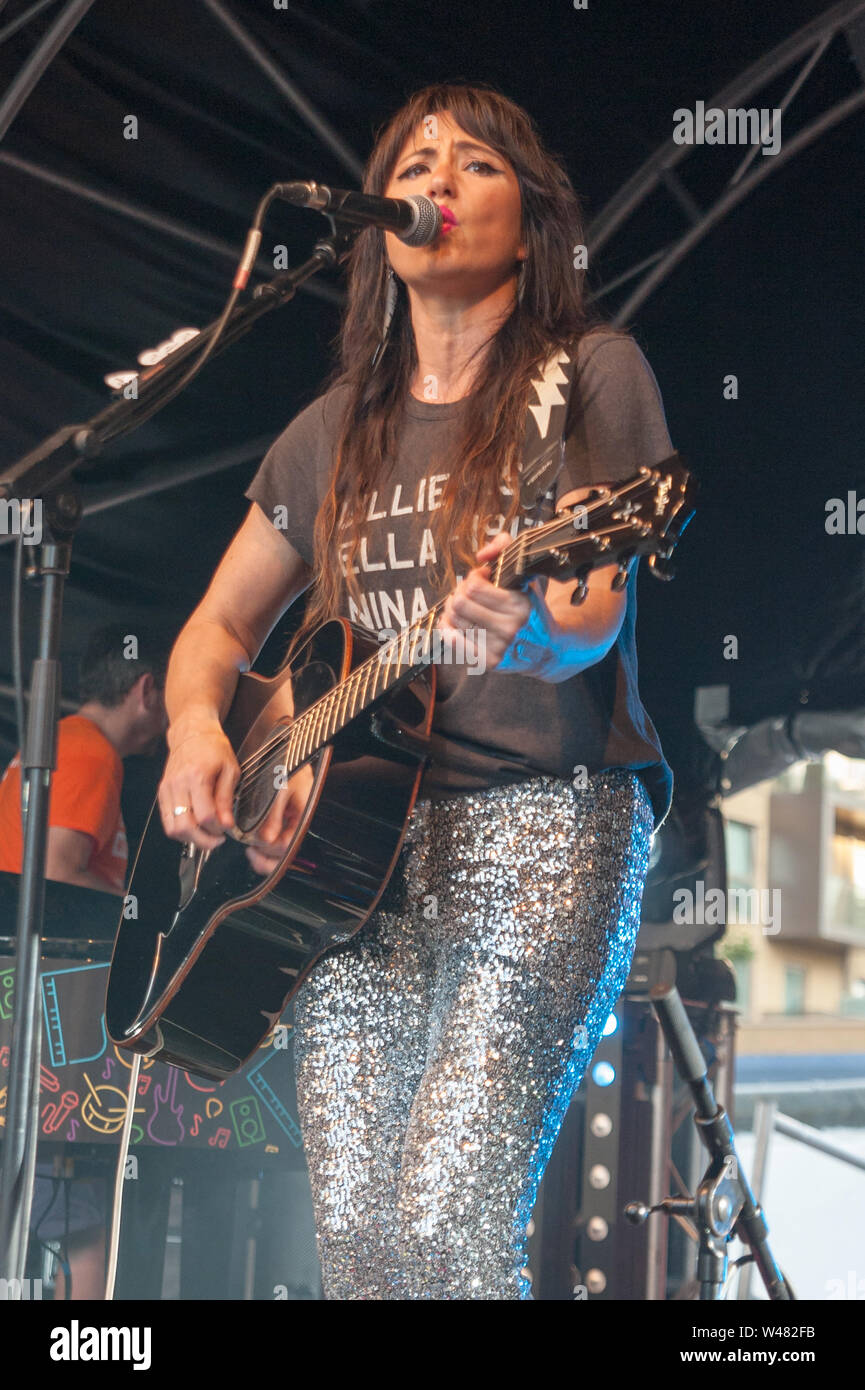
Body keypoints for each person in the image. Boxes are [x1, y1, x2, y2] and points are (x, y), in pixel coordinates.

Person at [158, 81, 676, 1300]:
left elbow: (593, 611)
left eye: (478, 163)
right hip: (346, 865)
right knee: (360, 1252)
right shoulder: (331, 431)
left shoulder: (587, 373)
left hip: (539, 821)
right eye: (416, 160)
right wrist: (194, 727)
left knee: (447, 1224)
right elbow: (217, 629)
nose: (437, 179)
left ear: (530, 219)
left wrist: (526, 638)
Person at [0, 624, 168, 1299]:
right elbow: (61, 871)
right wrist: (151, 919)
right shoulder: (91, 752)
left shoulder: (50, 746)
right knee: (80, 1204)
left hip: (28, 1001)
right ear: (146, 690)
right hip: (53, 1009)